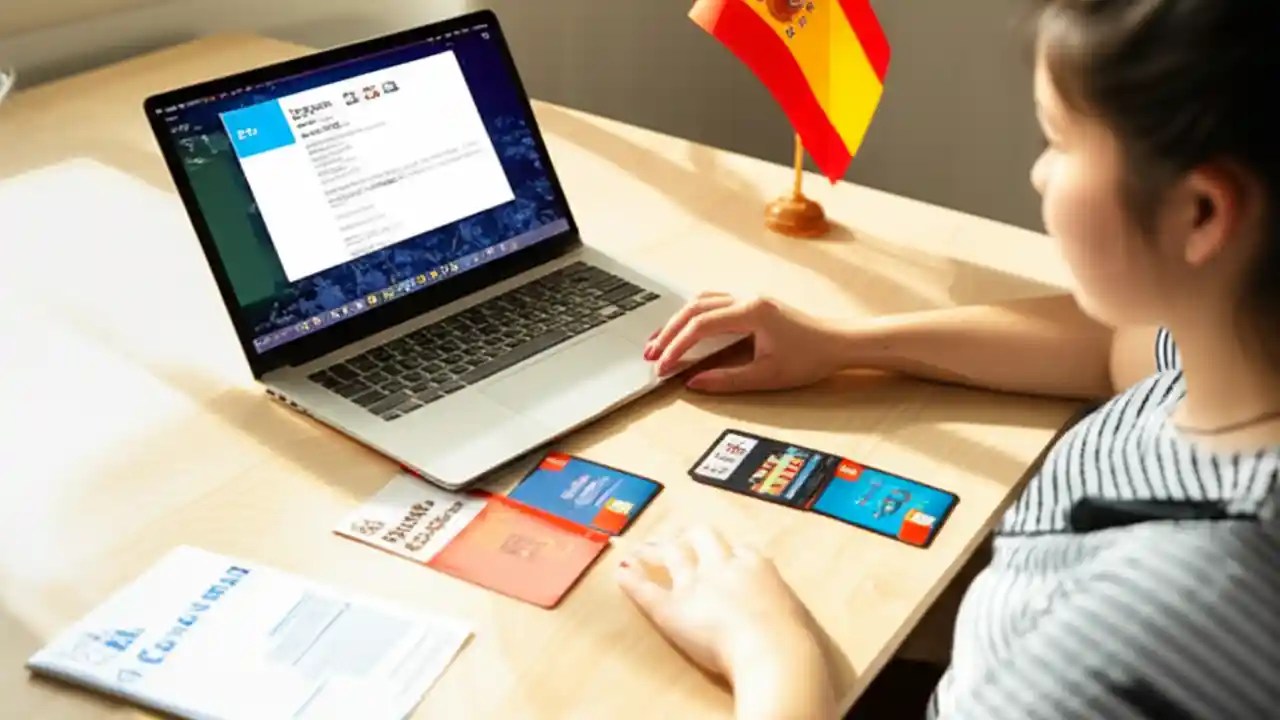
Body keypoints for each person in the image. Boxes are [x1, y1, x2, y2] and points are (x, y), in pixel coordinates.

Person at [615, 1, 1280, 718]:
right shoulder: (1232, 356)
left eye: (1058, 140)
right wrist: (842, 343)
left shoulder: (1125, 643)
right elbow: (1114, 348)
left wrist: (770, 651)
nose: (1038, 175)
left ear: (1202, 214)